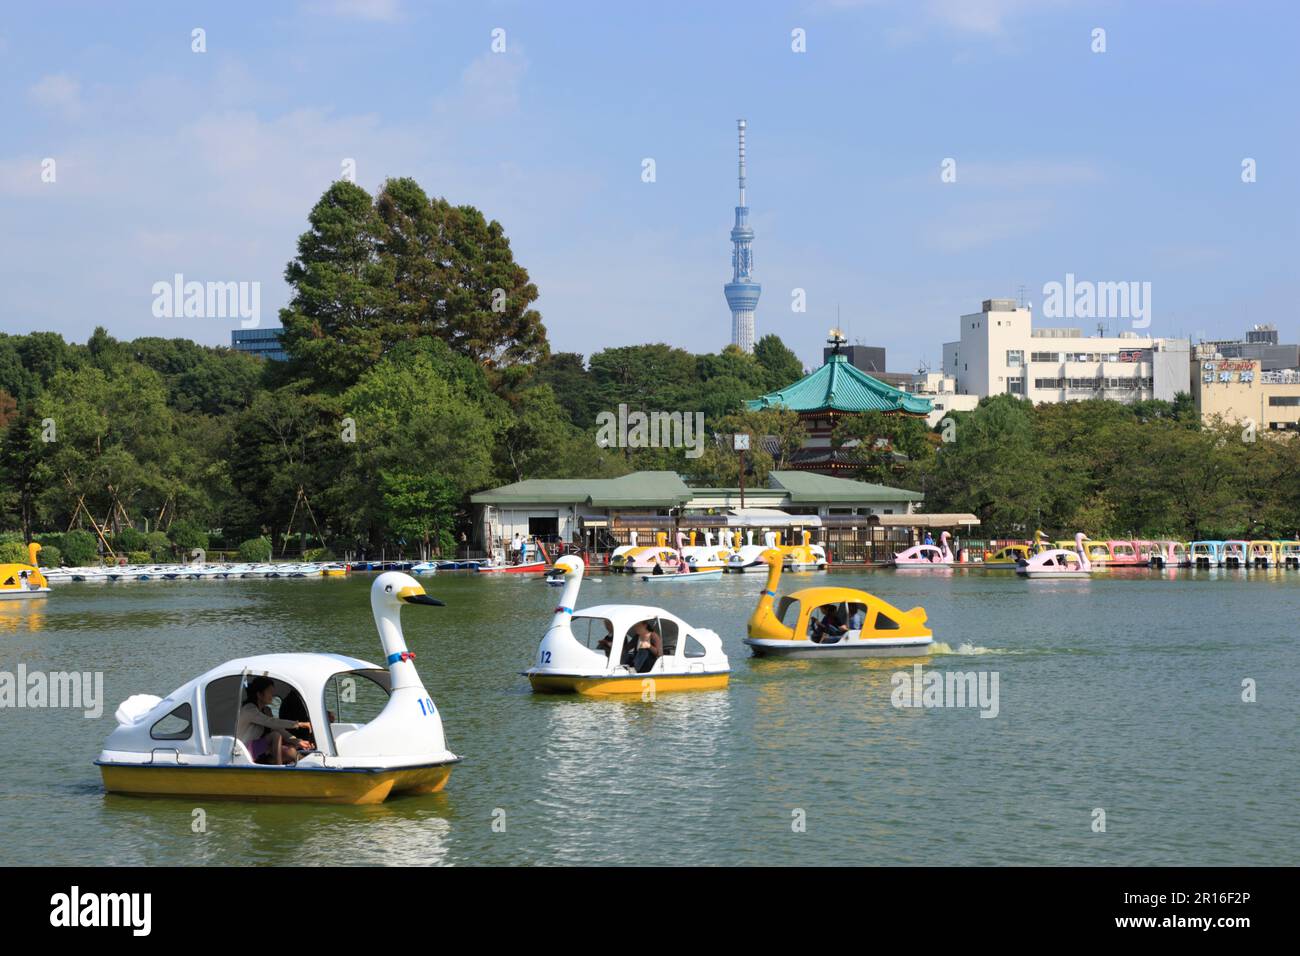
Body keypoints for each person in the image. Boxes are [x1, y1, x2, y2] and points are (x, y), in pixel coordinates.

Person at [237, 676, 313, 765]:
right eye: (270, 692)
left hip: (260, 749)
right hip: (244, 751)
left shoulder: (266, 710)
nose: (272, 696)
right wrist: (299, 724)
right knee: (275, 736)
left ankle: (309, 764)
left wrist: (298, 741)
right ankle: (279, 768)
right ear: (259, 694)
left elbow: (278, 728)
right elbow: (271, 722)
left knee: (291, 749)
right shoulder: (249, 709)